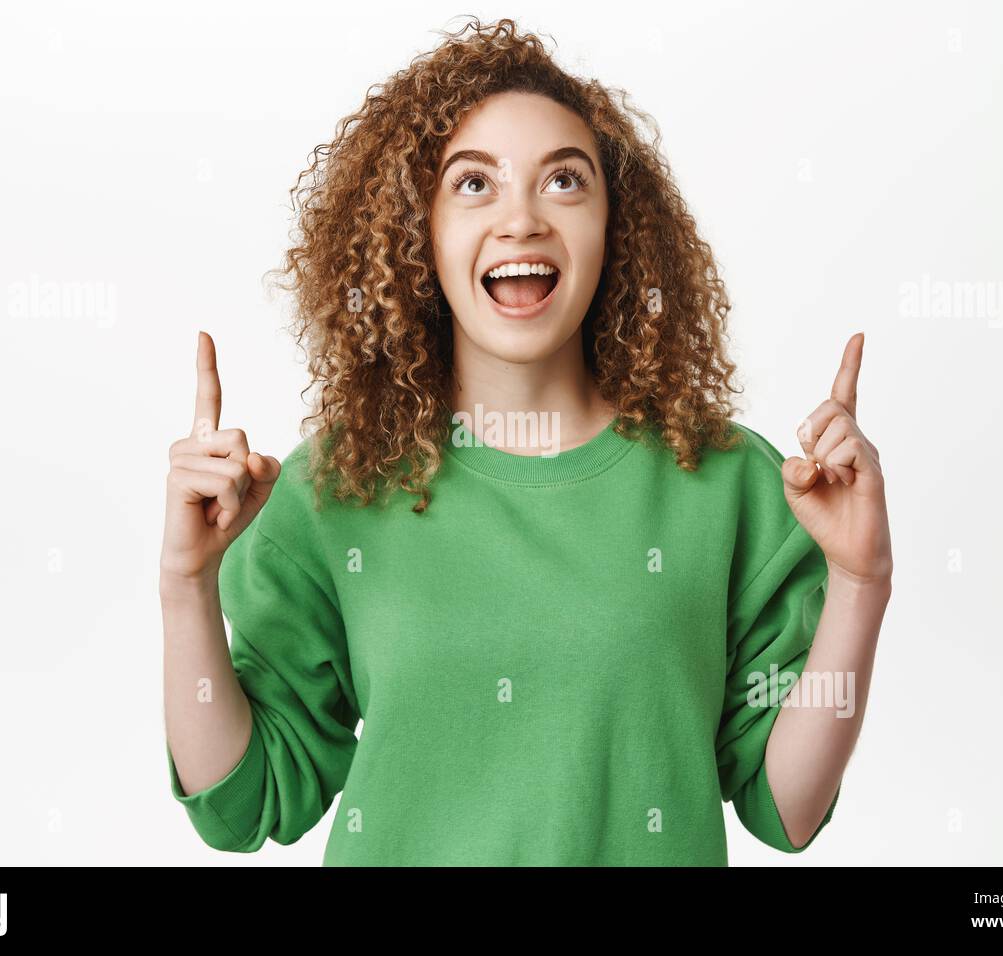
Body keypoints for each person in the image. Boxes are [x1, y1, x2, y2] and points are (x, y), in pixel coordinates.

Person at [160, 17, 891, 866]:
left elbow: (787, 806)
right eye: (474, 185)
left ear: (616, 227)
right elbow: (241, 806)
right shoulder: (333, 489)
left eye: (564, 182)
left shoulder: (728, 482)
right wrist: (186, 588)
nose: (521, 220)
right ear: (417, 233)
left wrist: (859, 580)